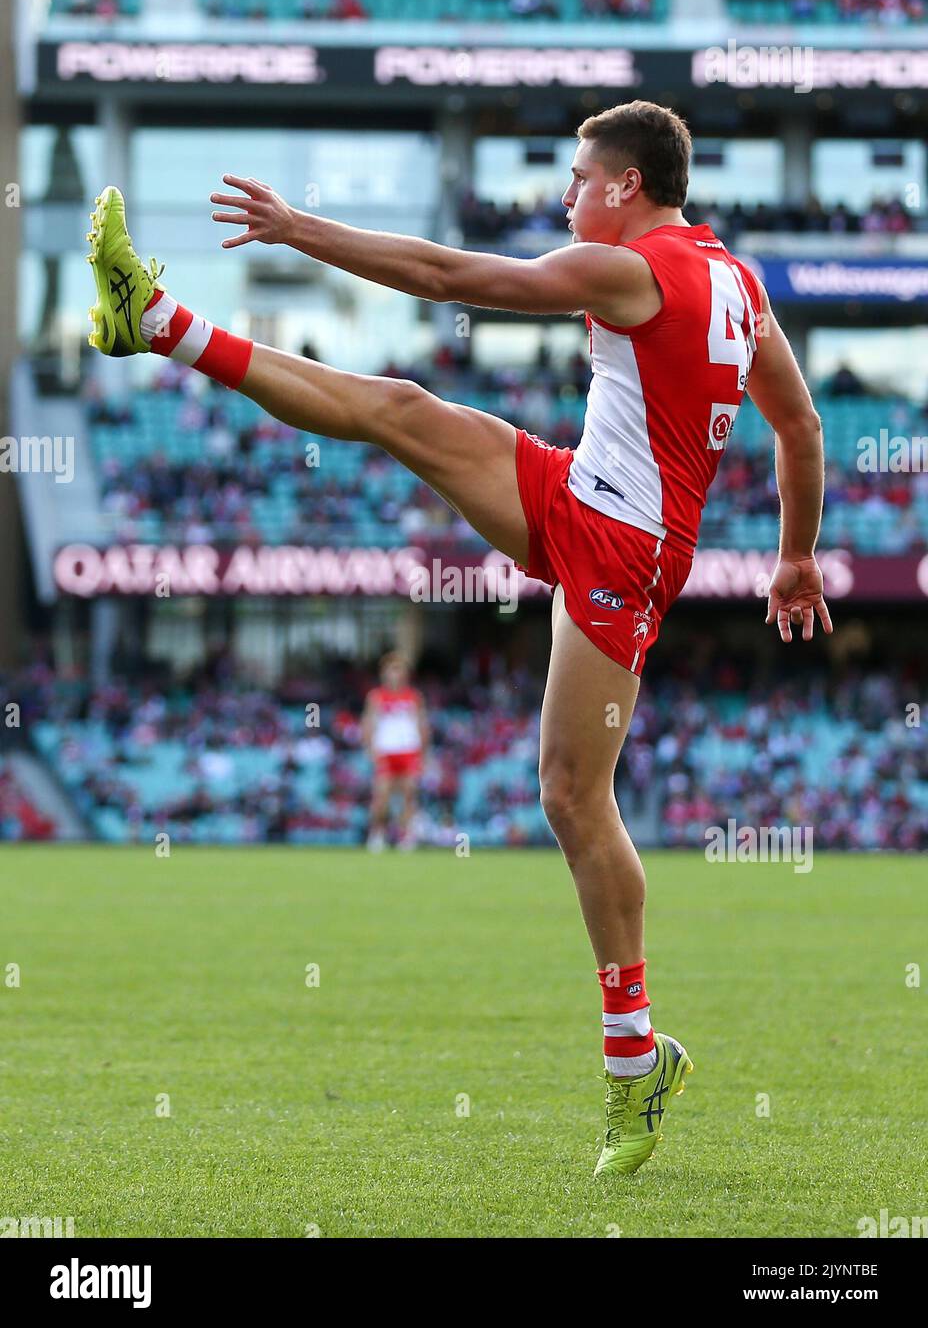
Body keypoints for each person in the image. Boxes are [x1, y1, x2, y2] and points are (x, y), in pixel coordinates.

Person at [84, 98, 831, 1178]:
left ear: (625, 186)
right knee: (400, 407)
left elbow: (448, 278)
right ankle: (153, 319)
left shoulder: (634, 267)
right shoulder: (741, 287)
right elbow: (798, 427)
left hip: (625, 550)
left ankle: (635, 1061)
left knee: (572, 793)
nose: (565, 195)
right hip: (589, 495)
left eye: (578, 177)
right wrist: (795, 555)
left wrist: (303, 231)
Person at [361, 652, 429, 851]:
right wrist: (370, 748)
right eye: (392, 670)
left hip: (409, 751)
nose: (396, 674)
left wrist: (424, 754)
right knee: (382, 795)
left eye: (399, 670)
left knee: (409, 794)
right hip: (386, 751)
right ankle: (377, 833)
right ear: (385, 673)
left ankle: (407, 836)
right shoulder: (376, 696)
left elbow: (422, 724)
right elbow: (368, 723)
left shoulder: (414, 697)